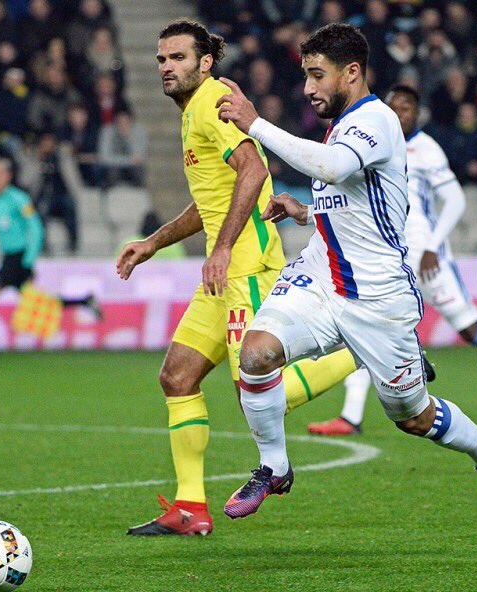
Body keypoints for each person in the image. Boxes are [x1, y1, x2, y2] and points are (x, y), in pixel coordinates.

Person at [215, 23, 477, 518]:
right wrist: (307, 213)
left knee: (412, 417)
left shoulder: (375, 120)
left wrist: (256, 123)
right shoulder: (342, 123)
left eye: (317, 75)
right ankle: (274, 467)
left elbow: (333, 168)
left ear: (351, 73)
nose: (308, 88)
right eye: (305, 75)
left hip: (378, 296)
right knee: (256, 354)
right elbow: (358, 205)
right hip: (321, 274)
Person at [118, 20, 360, 538]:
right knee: (177, 378)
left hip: (246, 266)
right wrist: (155, 242)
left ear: (205, 63)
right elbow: (210, 201)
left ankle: (365, 350)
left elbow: (254, 169)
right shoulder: (193, 115)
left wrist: (224, 247)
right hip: (223, 271)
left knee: (258, 387)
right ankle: (189, 509)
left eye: (178, 58)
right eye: (162, 59)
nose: (167, 67)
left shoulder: (211, 102)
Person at [308, 85, 477, 436]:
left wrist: (433, 246)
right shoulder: (373, 140)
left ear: (418, 113)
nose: (400, 113)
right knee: (365, 330)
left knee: (475, 332)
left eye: (407, 107)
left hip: (426, 257)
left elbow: (454, 200)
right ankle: (351, 416)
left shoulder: (426, 149)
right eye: (394, 107)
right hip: (388, 258)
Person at [0, 158, 100, 359]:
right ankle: (83, 301)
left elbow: (35, 228)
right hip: (9, 258)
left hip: (20, 258)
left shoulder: (18, 199)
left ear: (7, 176)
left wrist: (29, 258)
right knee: (36, 301)